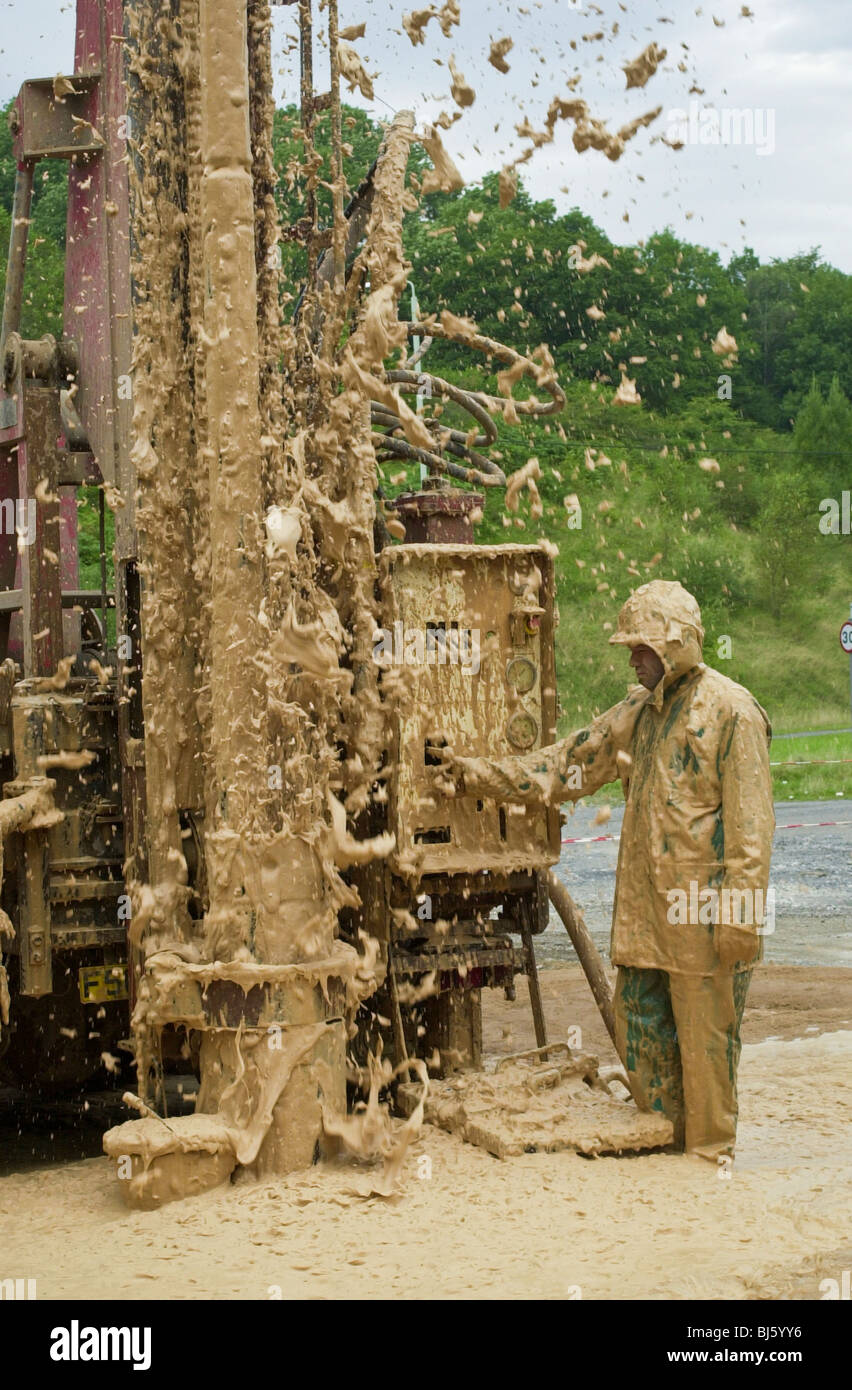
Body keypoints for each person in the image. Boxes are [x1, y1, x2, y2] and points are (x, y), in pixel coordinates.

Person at [435, 580, 774, 1164]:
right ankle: (664, 1151)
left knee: (707, 1051)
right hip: (645, 926)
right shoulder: (637, 715)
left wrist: (740, 922)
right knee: (642, 1038)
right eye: (630, 648)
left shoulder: (733, 712)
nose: (632, 659)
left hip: (705, 926)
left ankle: (709, 1163)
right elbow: (562, 765)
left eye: (641, 647)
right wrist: (474, 775)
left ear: (675, 646)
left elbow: (751, 829)